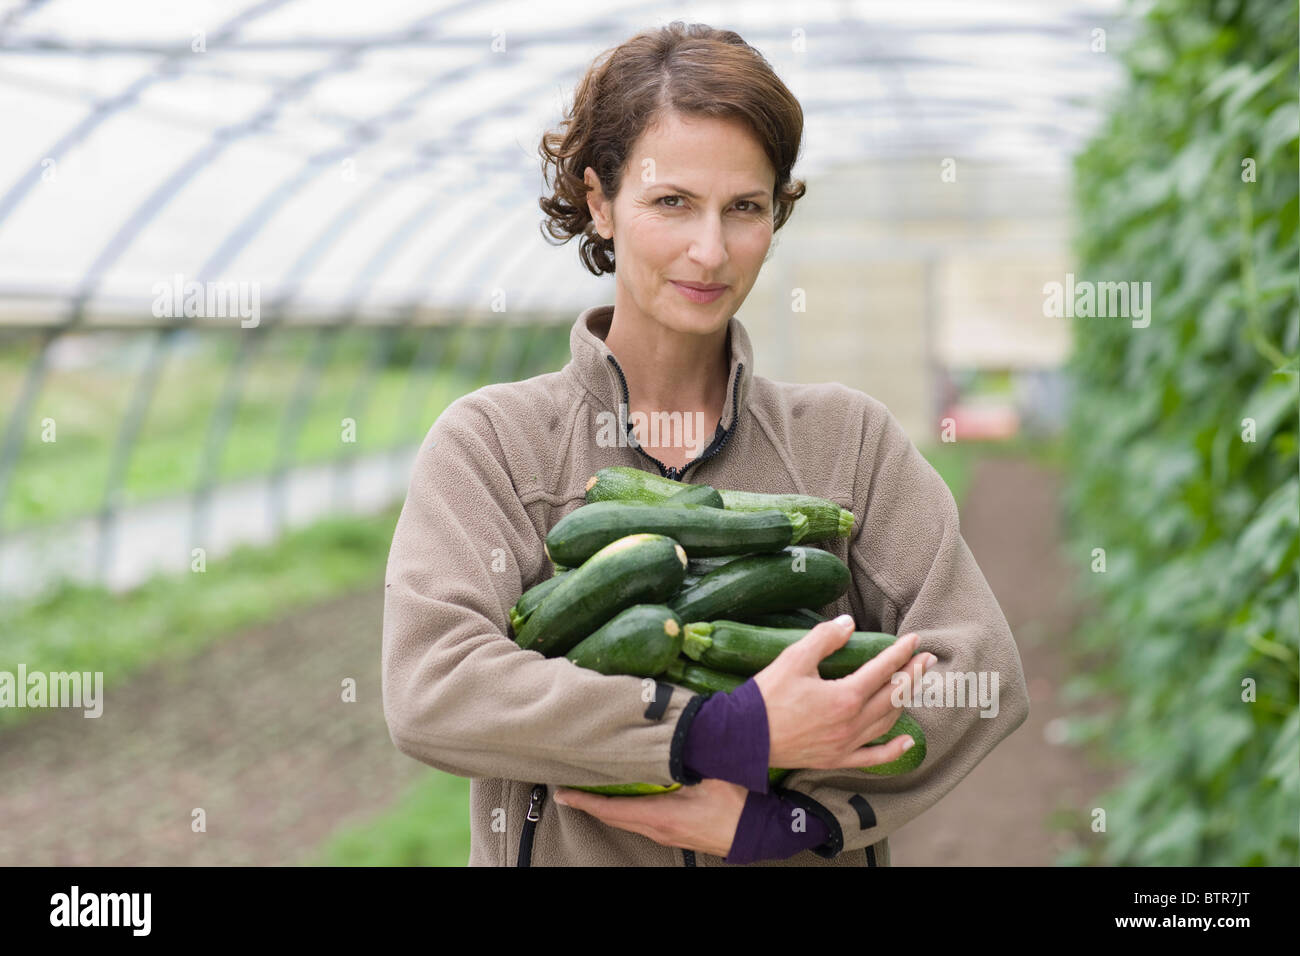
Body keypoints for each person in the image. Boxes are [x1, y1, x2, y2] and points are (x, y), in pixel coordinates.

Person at [381, 21, 1029, 866]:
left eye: (745, 208)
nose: (711, 250)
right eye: (672, 202)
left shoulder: (848, 444)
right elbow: (435, 685)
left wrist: (791, 819)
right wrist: (710, 731)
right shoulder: (497, 446)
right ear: (600, 201)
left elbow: (979, 670)